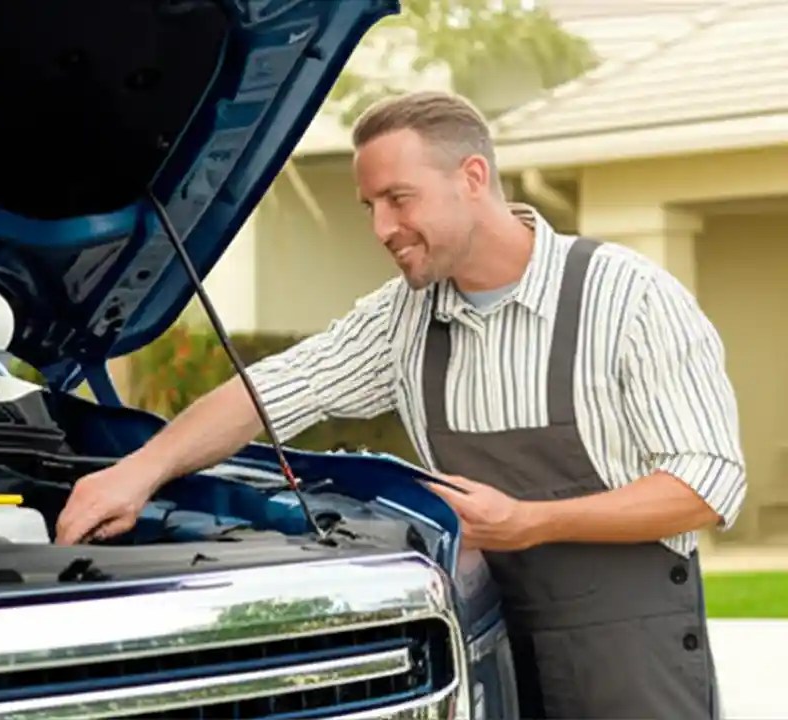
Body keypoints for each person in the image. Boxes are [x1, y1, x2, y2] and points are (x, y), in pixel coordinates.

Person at [55, 89, 743, 719]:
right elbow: (266, 393)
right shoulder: (403, 321)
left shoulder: (627, 300)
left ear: (472, 179)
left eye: (399, 198)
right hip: (487, 656)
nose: (382, 227)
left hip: (627, 664)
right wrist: (137, 472)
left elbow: (708, 485)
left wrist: (531, 521)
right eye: (370, 207)